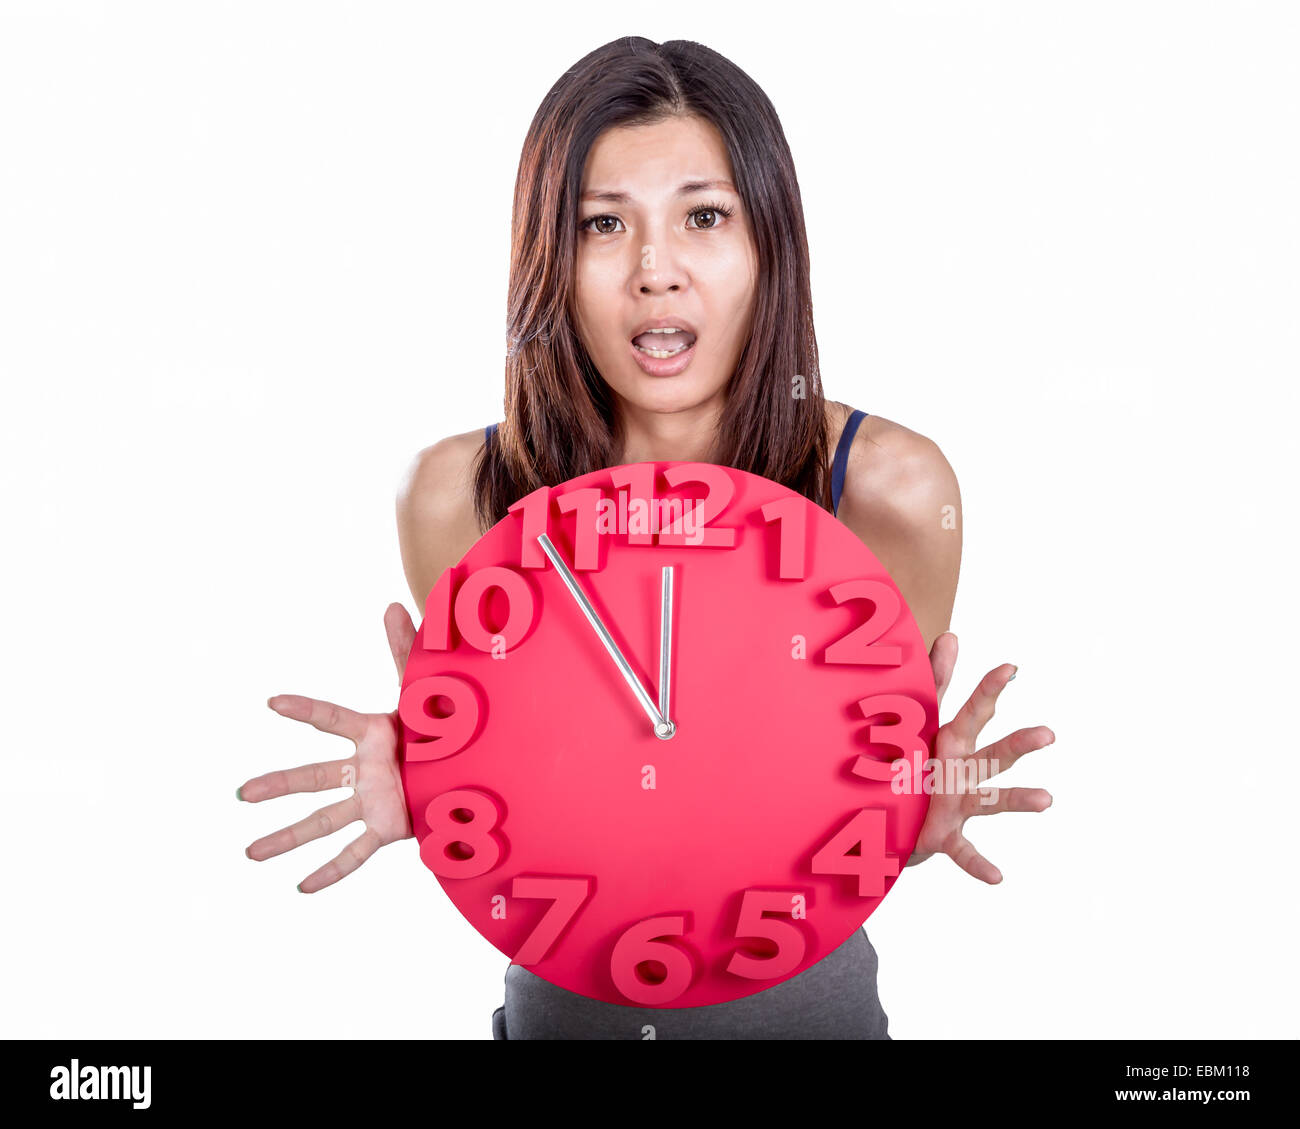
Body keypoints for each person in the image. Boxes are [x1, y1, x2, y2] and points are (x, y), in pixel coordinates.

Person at [238, 37, 1056, 1039]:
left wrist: (898, 831)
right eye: (601, 225)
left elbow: (842, 796)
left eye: (703, 217)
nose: (654, 271)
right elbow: (557, 806)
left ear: (769, 244)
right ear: (550, 254)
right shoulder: (458, 494)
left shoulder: (890, 491)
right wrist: (439, 791)